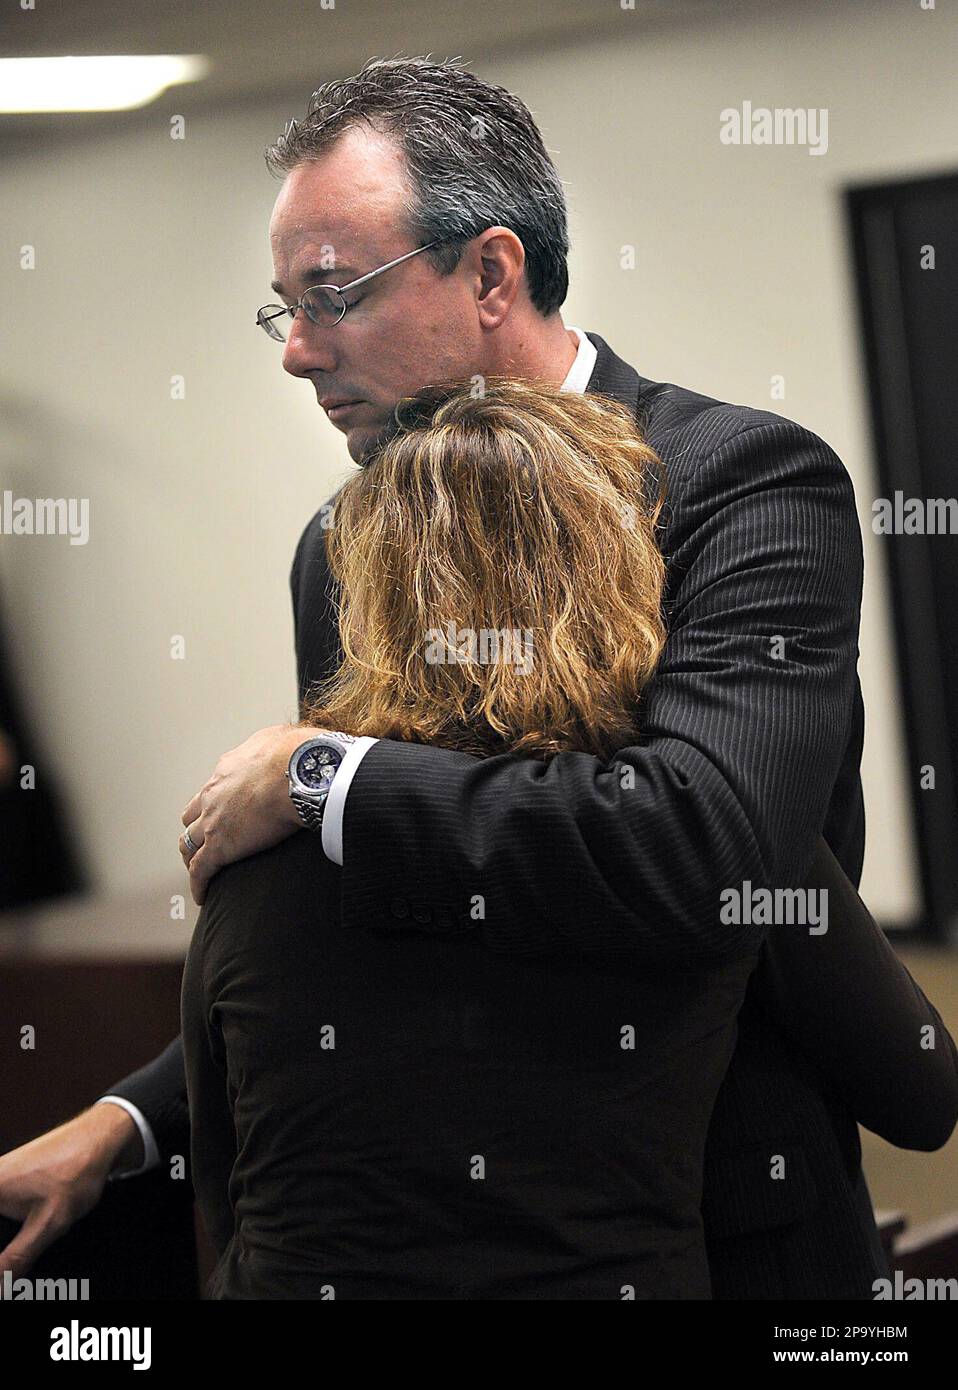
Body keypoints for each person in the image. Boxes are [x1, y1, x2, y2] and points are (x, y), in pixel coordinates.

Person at [1, 56, 956, 1299]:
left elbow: (708, 842)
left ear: (491, 271)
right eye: (279, 307)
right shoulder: (341, 548)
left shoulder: (739, 482)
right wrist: (120, 1126)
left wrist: (320, 772)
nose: (296, 351)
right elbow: (368, 910)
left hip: (729, 1234)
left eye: (331, 294)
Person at [183, 377, 764, 1299]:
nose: (295, 352)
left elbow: (222, 1182)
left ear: (369, 606)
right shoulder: (701, 851)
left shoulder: (253, 849)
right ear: (615, 578)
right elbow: (922, 1098)